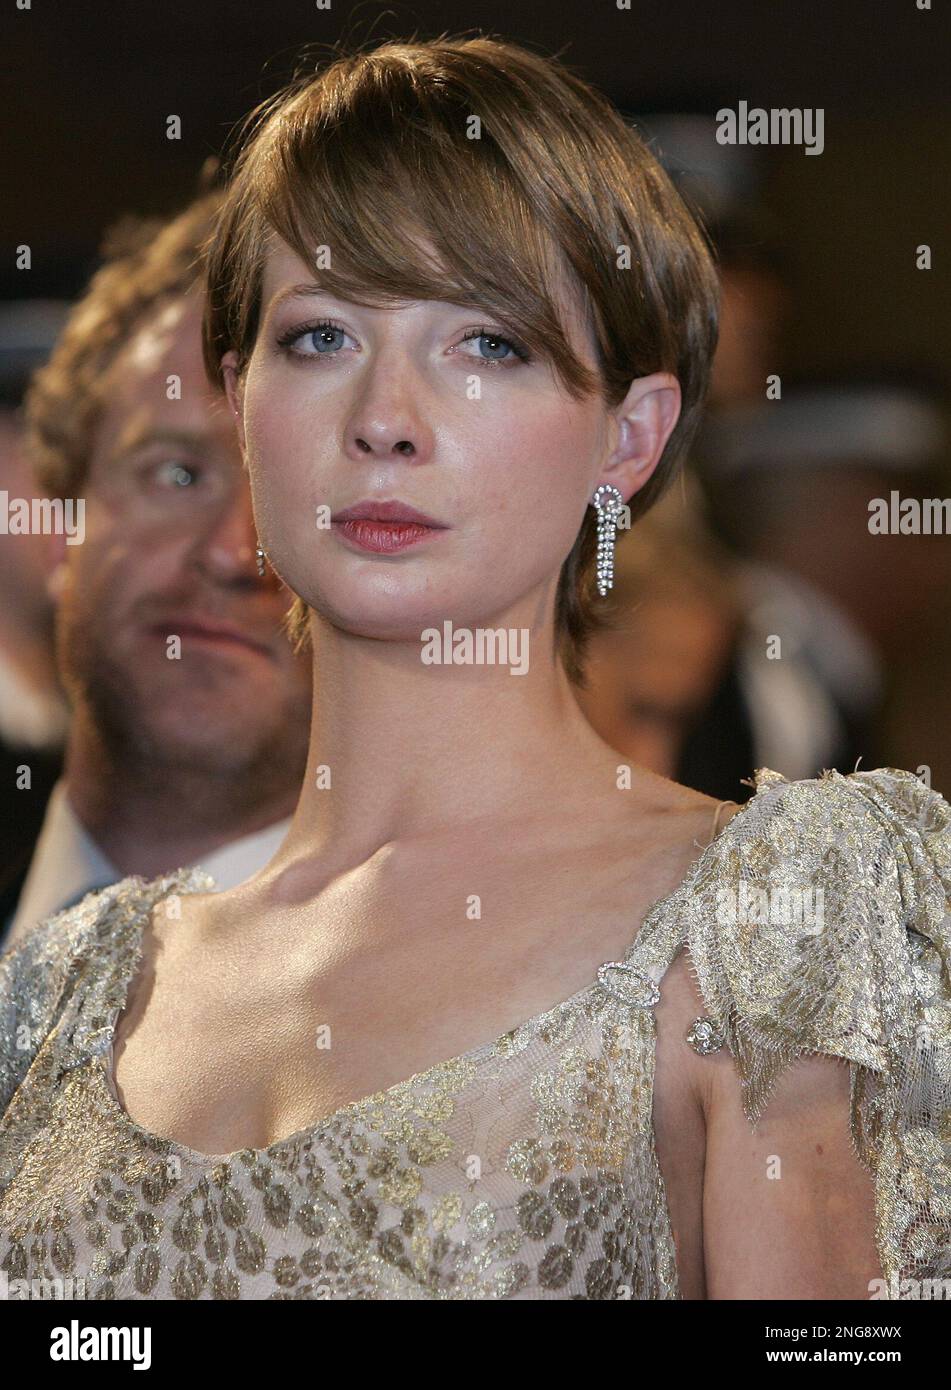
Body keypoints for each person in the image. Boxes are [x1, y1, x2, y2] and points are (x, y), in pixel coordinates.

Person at [1, 36, 948, 1301]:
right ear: (240, 401)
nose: (386, 416)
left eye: (488, 345)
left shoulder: (769, 920)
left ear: (630, 436)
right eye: (322, 336)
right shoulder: (67, 989)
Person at [0, 192, 313, 946]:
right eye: (177, 474)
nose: (237, 553)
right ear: (59, 531)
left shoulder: (474, 1026)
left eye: (303, 500)